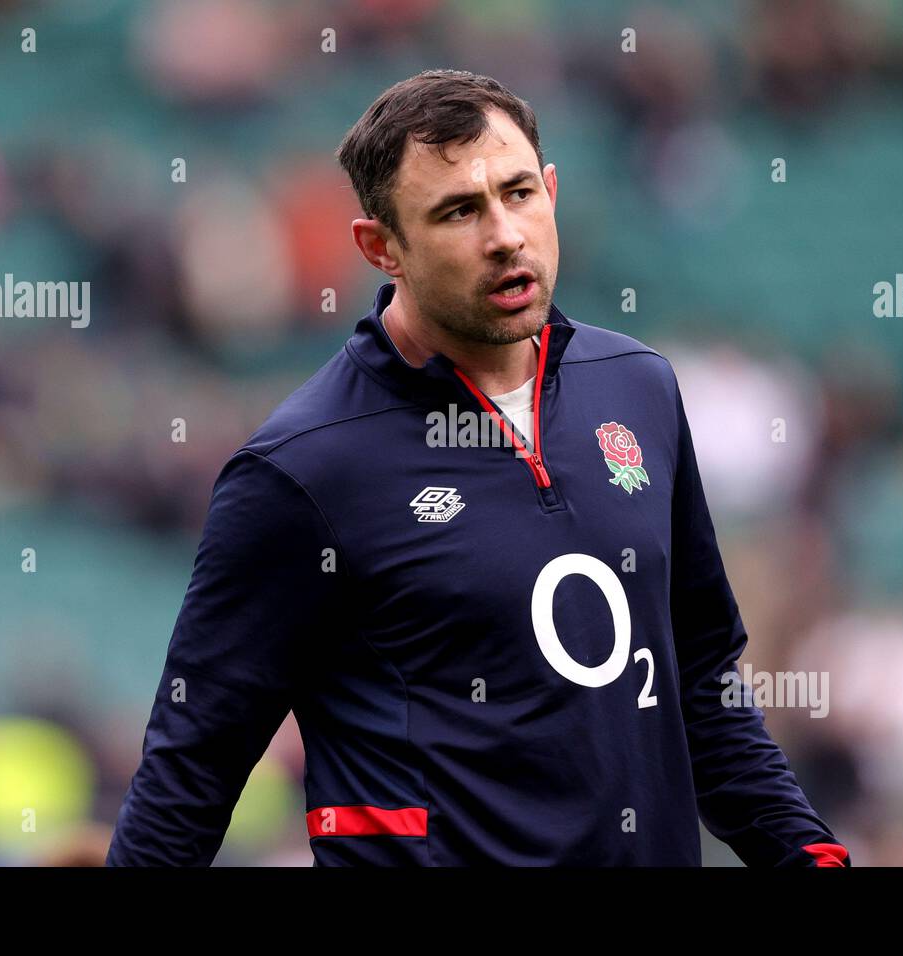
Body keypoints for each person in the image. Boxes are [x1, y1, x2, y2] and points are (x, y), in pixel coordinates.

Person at [107, 68, 849, 867]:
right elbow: (191, 772)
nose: (505, 234)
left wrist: (804, 850)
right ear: (381, 247)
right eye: (459, 211)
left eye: (519, 193)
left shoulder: (638, 388)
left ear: (553, 192)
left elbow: (699, 681)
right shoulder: (304, 470)